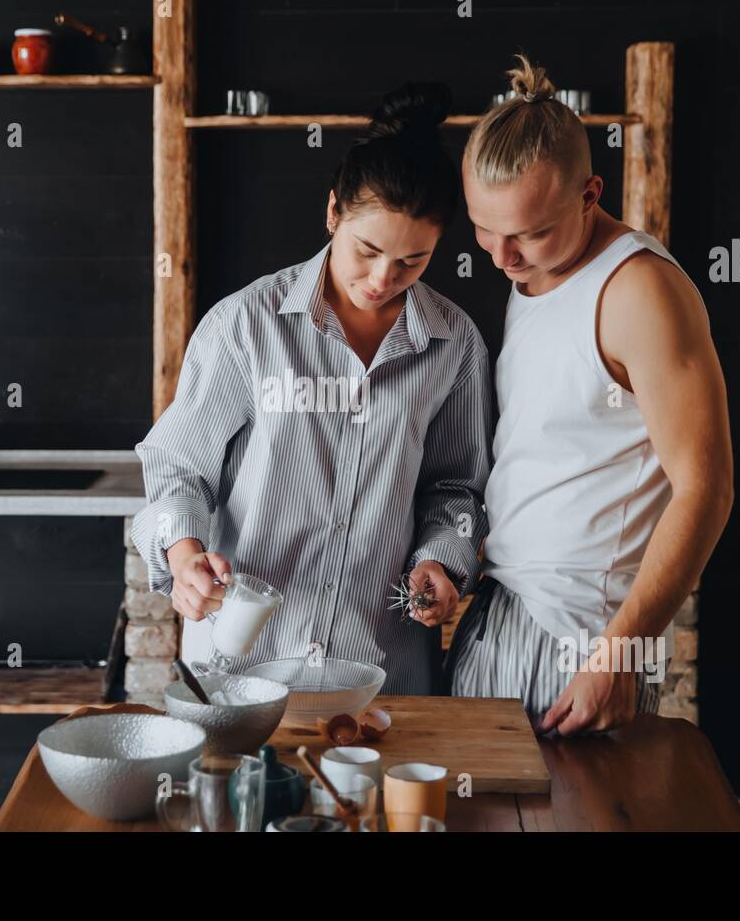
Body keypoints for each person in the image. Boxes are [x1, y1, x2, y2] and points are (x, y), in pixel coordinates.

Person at [131, 83, 493, 694]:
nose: (383, 279)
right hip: (241, 669)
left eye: (413, 261)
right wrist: (184, 553)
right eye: (367, 249)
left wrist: (440, 558)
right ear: (333, 213)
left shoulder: (454, 344)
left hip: (380, 670)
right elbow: (178, 467)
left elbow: (455, 489)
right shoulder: (245, 325)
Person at [445, 56, 734, 734]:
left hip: (581, 641)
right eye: (485, 228)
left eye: (531, 232)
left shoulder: (639, 291)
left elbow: (707, 488)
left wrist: (621, 653)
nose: (503, 257)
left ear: (590, 193)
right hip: (499, 614)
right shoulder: (532, 275)